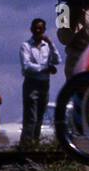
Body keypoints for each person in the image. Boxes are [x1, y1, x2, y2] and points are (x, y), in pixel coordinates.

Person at [18, 18, 60, 148]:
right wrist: (44, 68)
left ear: (44, 30)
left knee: (40, 117)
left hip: (44, 84)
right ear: (31, 29)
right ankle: (26, 145)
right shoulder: (26, 46)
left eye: (40, 28)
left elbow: (57, 60)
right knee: (31, 117)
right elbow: (26, 66)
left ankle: (34, 144)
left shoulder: (46, 46)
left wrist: (51, 44)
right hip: (32, 83)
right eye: (36, 28)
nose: (38, 31)